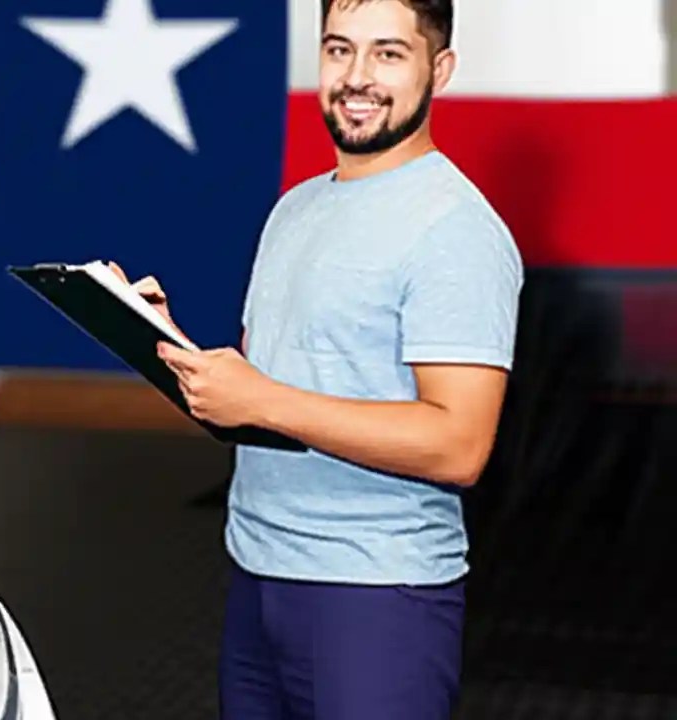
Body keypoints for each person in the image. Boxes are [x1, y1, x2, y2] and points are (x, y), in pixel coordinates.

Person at [110, 0, 523, 717]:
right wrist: (165, 344)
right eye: (339, 49)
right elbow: (264, 409)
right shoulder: (295, 210)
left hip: (376, 598)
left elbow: (460, 445)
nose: (357, 76)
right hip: (257, 573)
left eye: (388, 53)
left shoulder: (456, 228)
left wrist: (262, 399)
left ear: (440, 70)